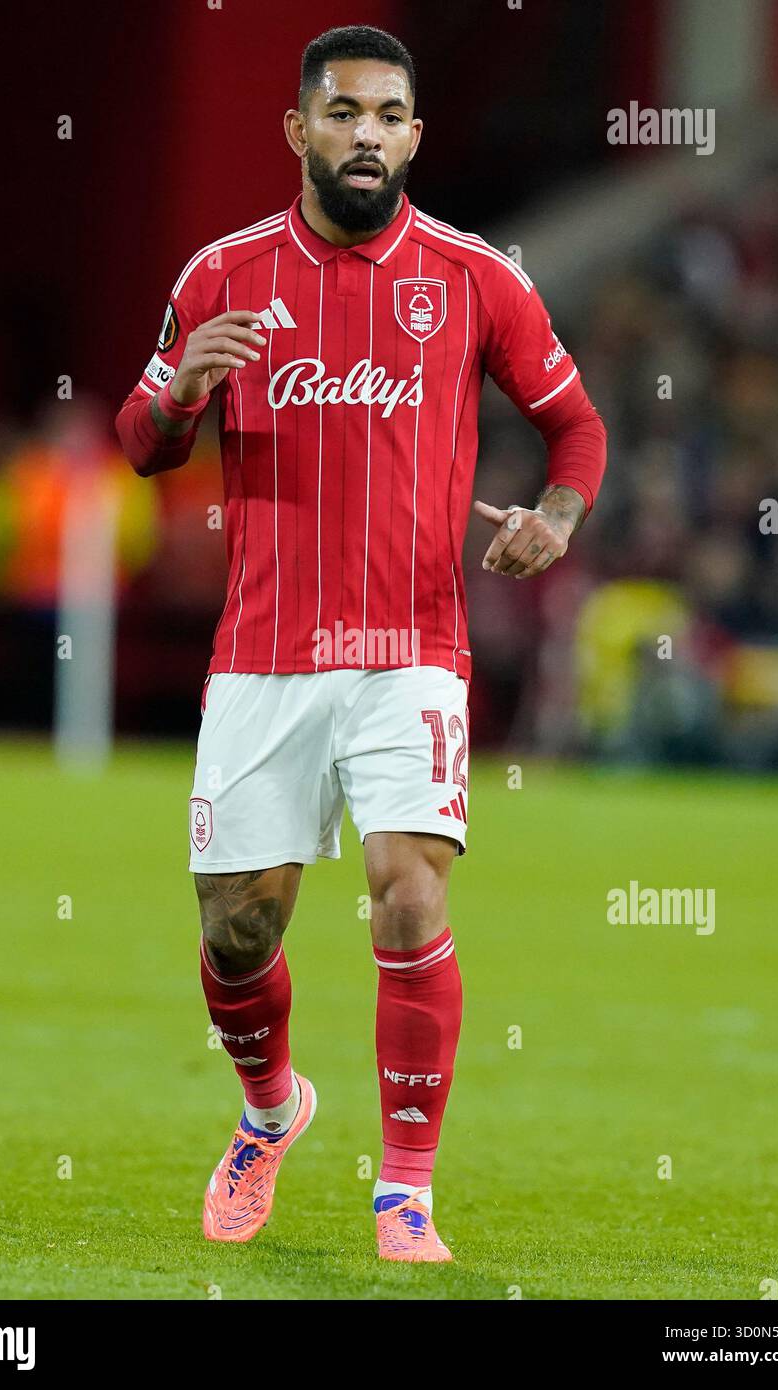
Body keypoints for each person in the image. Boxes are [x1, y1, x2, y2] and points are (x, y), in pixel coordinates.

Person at [116, 24, 607, 1263]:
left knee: (408, 893)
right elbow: (138, 439)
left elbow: (577, 426)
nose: (367, 136)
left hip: (410, 649)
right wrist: (180, 392)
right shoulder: (222, 277)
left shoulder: (475, 277)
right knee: (239, 930)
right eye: (343, 114)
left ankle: (406, 1192)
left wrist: (554, 521)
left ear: (416, 136)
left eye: (389, 116)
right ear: (298, 130)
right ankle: (273, 1111)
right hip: (265, 652)